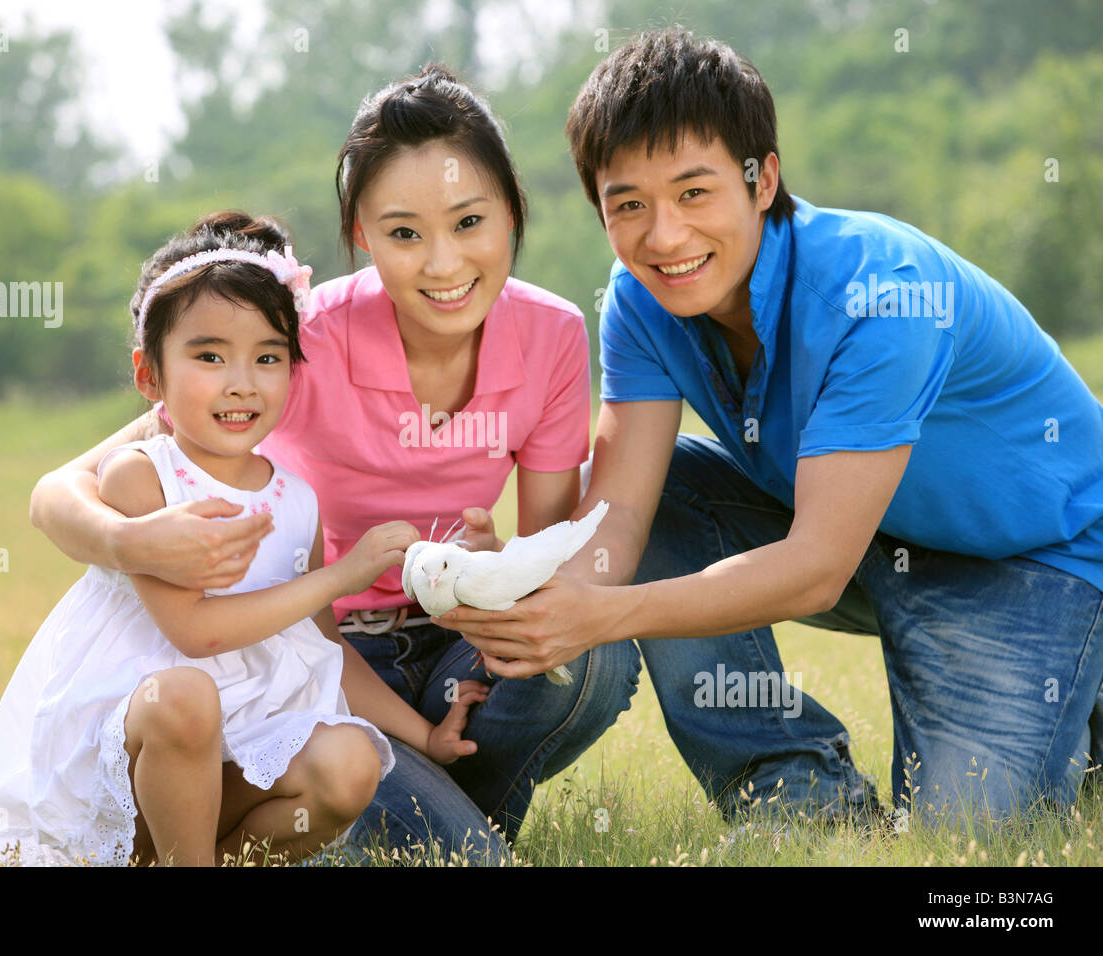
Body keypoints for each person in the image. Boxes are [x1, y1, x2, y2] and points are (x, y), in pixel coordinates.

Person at [439, 27, 1103, 829]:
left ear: (763, 181)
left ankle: (1084, 681)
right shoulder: (639, 300)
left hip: (1028, 557)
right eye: (629, 206)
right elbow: (614, 526)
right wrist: (509, 587)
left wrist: (609, 616)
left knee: (966, 836)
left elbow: (817, 569)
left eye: (694, 193)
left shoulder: (881, 294)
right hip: (865, 535)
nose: (665, 237)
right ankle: (797, 790)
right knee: (668, 490)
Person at [27, 67, 642, 862]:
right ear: (360, 232)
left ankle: (423, 802)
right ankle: (431, 828)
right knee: (465, 854)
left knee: (592, 660)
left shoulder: (552, 333)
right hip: (325, 657)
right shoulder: (296, 337)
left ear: (513, 211)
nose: (444, 264)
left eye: (469, 222)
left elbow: (552, 551)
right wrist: (129, 544)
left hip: (458, 642)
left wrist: (503, 570)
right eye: (404, 233)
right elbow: (56, 493)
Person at [0, 211, 488, 867]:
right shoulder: (142, 477)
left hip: (227, 764)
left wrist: (426, 738)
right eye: (208, 356)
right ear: (150, 376)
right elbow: (195, 635)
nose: (240, 381)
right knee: (186, 695)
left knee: (347, 763)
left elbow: (322, 645)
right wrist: (344, 576)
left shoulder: (295, 498)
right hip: (131, 755)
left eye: (267, 358)